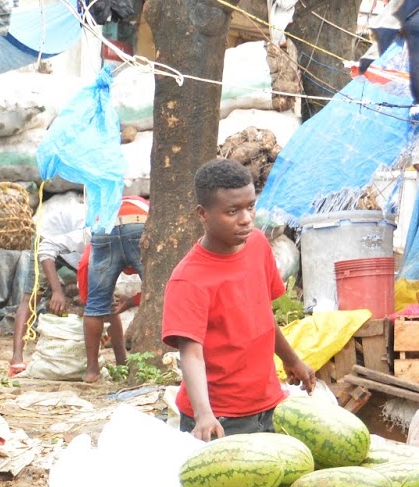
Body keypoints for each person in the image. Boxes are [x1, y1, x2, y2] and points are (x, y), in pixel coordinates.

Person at [165, 158, 315, 440]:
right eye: (232, 211)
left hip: (269, 405)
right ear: (203, 214)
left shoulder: (258, 244)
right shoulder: (189, 279)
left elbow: (262, 316)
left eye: (250, 207)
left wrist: (292, 360)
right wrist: (203, 415)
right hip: (221, 420)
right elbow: (191, 353)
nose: (246, 218)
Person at [9, 191, 85, 377]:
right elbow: (46, 253)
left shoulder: (105, 239)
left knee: (97, 297)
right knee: (32, 296)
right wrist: (57, 291)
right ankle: (16, 357)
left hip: (75, 248)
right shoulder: (87, 229)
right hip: (48, 239)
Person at [80, 194, 149, 383]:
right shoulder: (145, 207)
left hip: (103, 228)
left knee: (95, 307)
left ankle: (92, 371)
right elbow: (160, 288)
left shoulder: (105, 211)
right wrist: (136, 299)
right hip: (138, 224)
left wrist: (91, 304)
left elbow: (85, 266)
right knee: (160, 293)